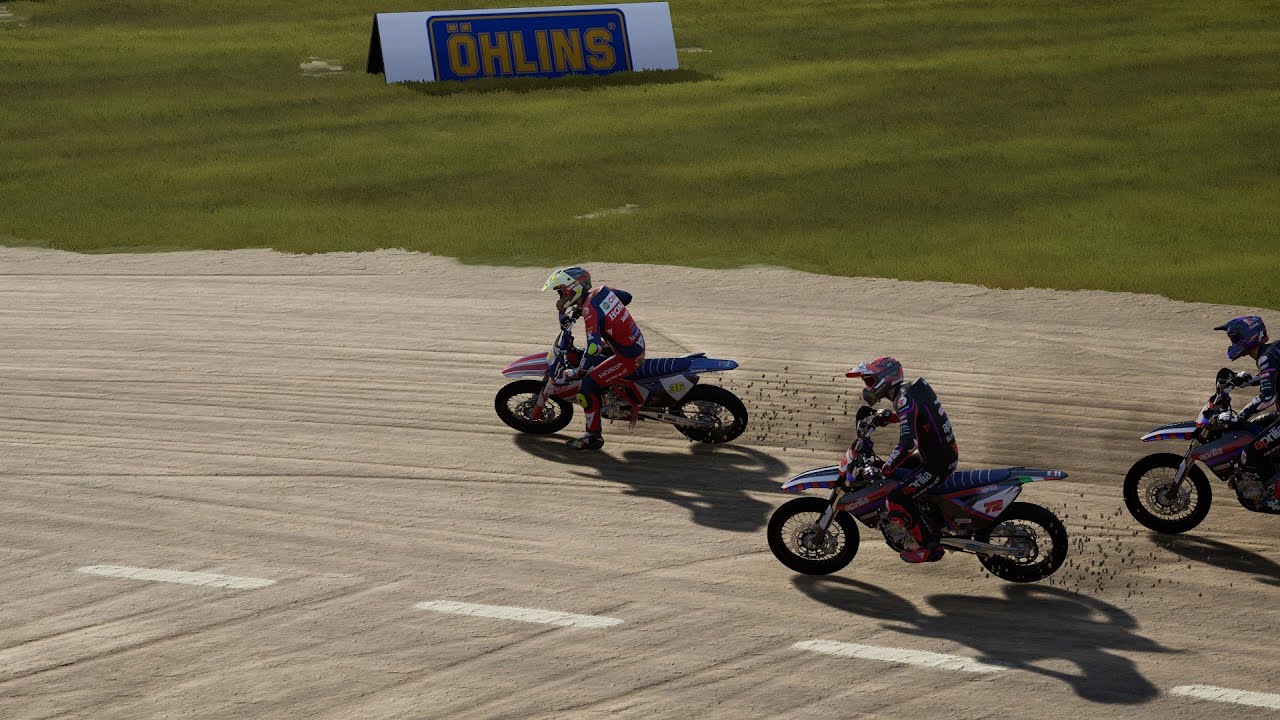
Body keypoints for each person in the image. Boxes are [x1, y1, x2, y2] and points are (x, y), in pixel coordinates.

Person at [848, 356, 958, 563]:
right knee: (895, 476)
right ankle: (928, 518)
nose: (867, 387)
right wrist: (885, 417)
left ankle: (930, 547)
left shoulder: (903, 398)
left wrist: (888, 466)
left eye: (870, 381)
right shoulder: (909, 392)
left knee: (897, 497)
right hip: (939, 453)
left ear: (886, 378)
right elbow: (917, 414)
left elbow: (909, 443)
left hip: (938, 462)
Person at [542, 267, 646, 450]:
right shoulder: (603, 291)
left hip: (628, 356)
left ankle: (592, 436)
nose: (560, 298)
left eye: (561, 292)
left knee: (587, 386)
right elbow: (627, 297)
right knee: (594, 361)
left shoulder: (590, 310)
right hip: (634, 341)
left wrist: (578, 371)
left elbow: (593, 347)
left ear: (573, 289)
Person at [1216, 316, 1280, 507]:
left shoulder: (1266, 357)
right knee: (1254, 429)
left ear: (1249, 336)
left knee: (1248, 452)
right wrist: (1246, 381)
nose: (1233, 344)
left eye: (1236, 339)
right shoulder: (1272, 351)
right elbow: (1271, 376)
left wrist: (1239, 417)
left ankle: (1272, 496)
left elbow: (1268, 397)